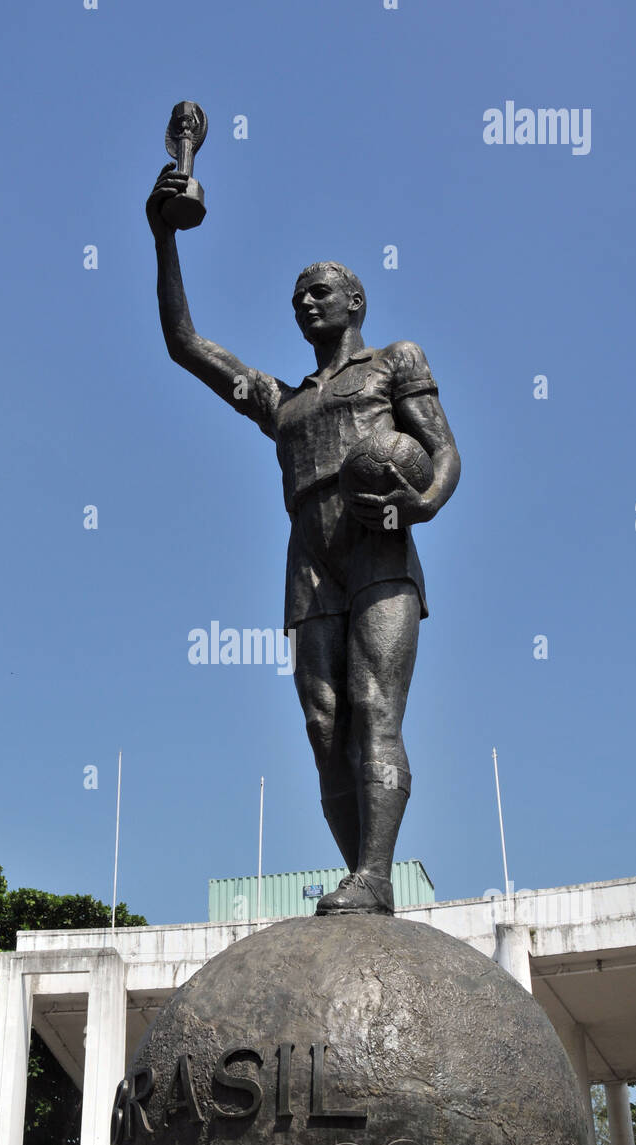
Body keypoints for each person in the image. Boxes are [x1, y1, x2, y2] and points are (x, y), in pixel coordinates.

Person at [147, 164, 460, 915]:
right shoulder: (283, 402)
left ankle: (376, 875)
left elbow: (445, 450)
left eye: (319, 291)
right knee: (324, 726)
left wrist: (419, 504)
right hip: (308, 559)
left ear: (355, 300)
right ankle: (361, 875)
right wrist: (163, 238)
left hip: (378, 543)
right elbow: (185, 344)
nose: (304, 302)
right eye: (296, 297)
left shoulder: (395, 360)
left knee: (373, 706)